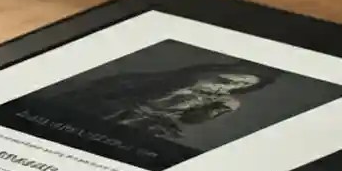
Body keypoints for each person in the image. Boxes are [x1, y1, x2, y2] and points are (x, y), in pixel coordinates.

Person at [58, 62, 278, 141]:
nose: (225, 86)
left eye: (238, 86)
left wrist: (218, 109)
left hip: (146, 123)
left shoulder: (224, 100)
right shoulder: (175, 78)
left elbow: (191, 119)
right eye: (225, 79)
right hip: (115, 107)